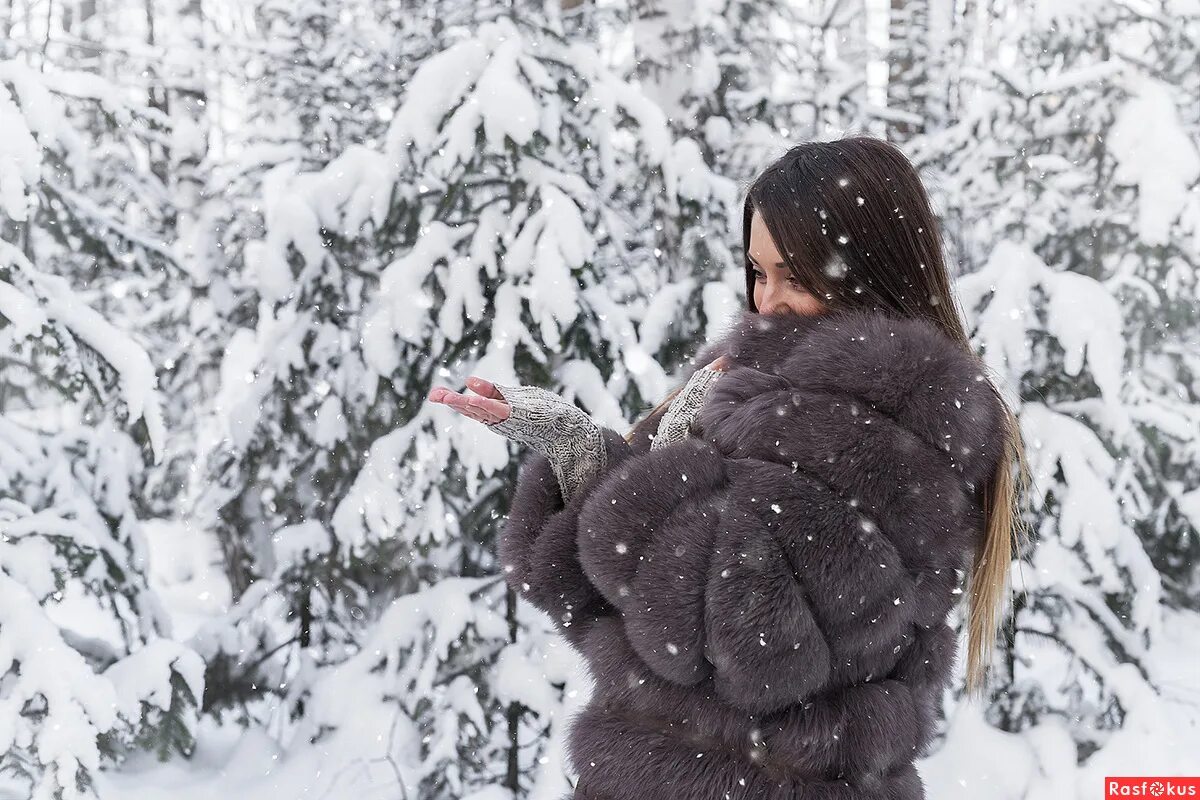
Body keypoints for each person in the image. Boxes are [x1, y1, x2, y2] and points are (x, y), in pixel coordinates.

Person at [427, 135, 1030, 800]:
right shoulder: (762, 390)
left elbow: (748, 640)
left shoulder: (887, 435)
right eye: (758, 272)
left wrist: (671, 454)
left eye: (796, 277)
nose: (768, 301)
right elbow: (631, 601)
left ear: (870, 270)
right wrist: (575, 448)